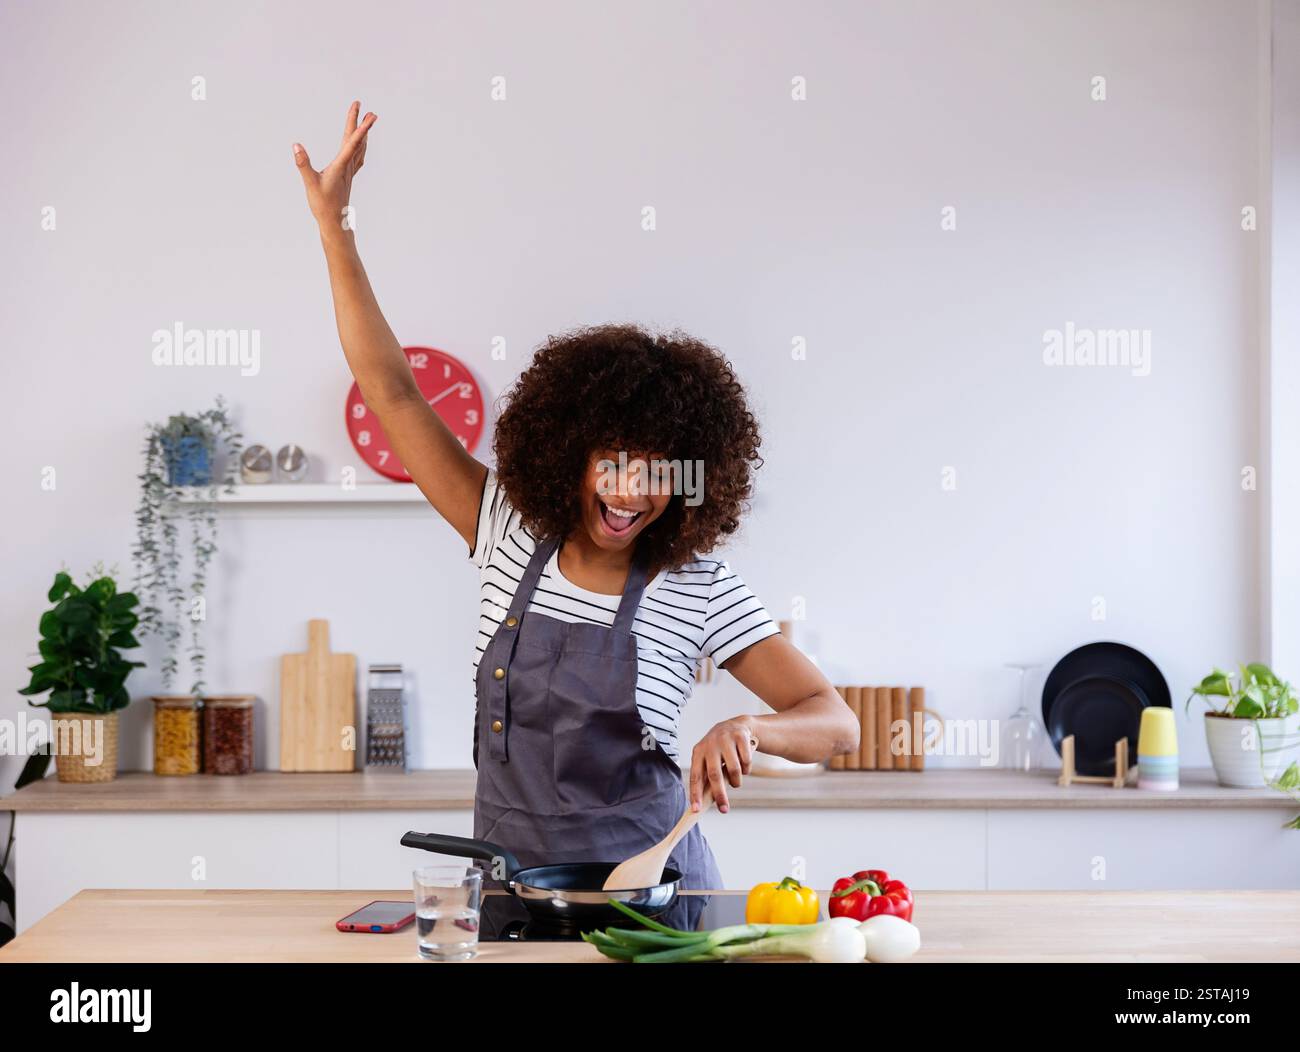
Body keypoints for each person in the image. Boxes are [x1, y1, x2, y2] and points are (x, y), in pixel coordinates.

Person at [293, 103, 859, 921]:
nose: (631, 490)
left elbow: (834, 721)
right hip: (515, 892)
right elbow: (391, 389)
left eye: (658, 469)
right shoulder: (503, 531)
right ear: (571, 453)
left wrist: (749, 729)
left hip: (652, 895)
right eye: (614, 462)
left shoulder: (698, 584)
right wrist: (334, 224)